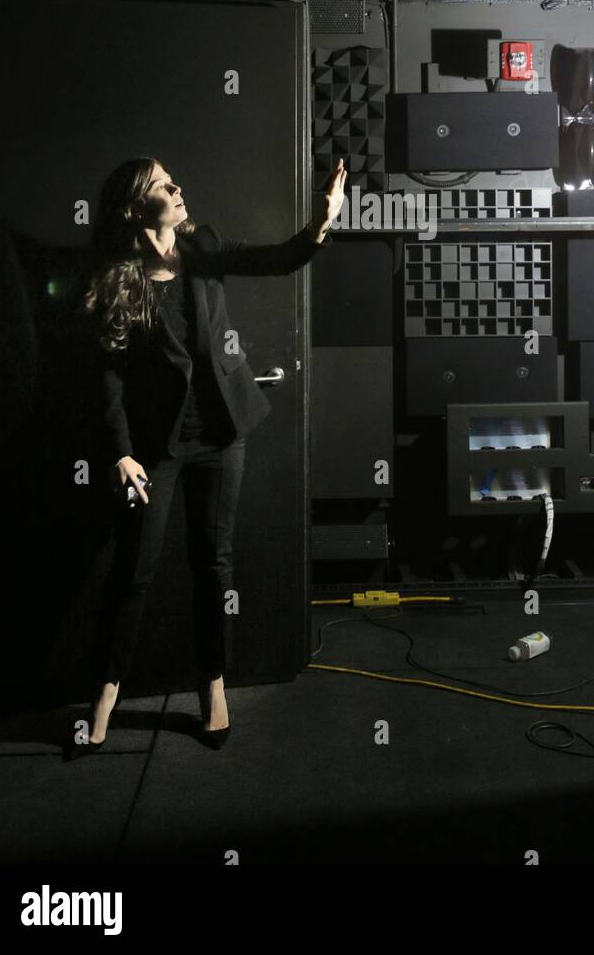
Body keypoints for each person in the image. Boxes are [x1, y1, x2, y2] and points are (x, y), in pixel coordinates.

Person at [77, 154, 346, 751]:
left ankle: (213, 686)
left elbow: (274, 260)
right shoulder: (117, 278)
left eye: (176, 178)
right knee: (132, 574)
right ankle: (105, 695)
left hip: (222, 437)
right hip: (157, 449)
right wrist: (121, 454)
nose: (178, 187)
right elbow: (108, 379)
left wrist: (318, 225)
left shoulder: (205, 246)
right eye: (162, 185)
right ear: (134, 208)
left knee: (213, 567)